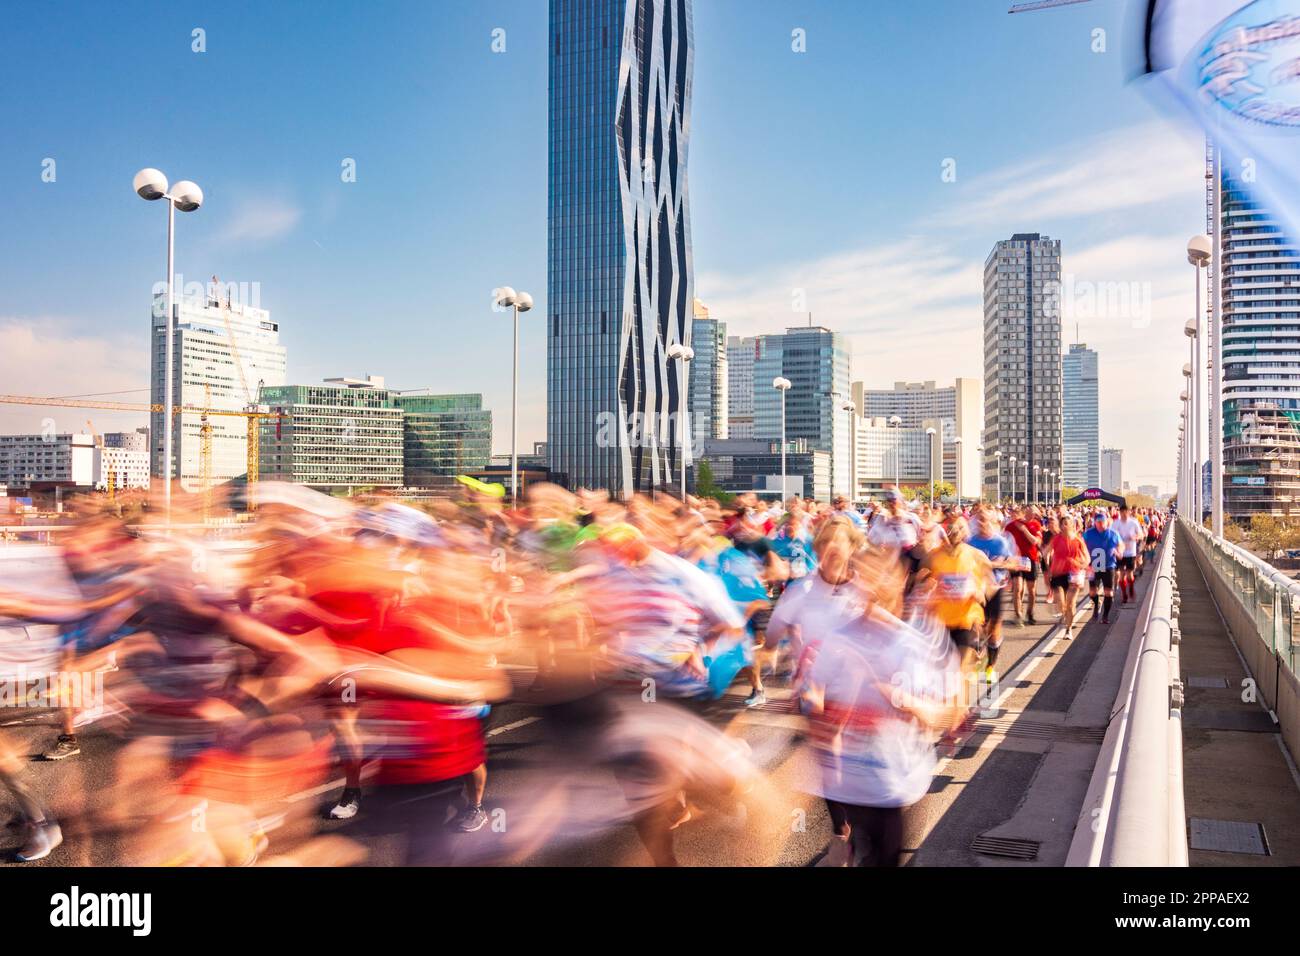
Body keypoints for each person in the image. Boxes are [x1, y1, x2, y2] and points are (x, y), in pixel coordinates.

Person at [966, 508, 1017, 685]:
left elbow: (1011, 562)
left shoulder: (1000, 542)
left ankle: (990, 667)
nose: (981, 523)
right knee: (975, 626)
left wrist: (993, 564)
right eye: (979, 520)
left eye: (985, 520)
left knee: (993, 628)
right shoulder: (970, 541)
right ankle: (972, 666)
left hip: (995, 589)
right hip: (975, 590)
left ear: (991, 522)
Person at [1046, 515, 1089, 639]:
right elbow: (1046, 552)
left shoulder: (1078, 540)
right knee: (1060, 601)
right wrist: (1048, 566)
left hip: (1074, 573)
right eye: (1063, 523)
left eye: (1067, 523)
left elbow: (1087, 557)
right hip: (1058, 573)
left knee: (1071, 604)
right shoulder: (1056, 539)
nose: (1065, 525)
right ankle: (1064, 615)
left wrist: (1082, 565)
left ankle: (1068, 629)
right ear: (1060, 526)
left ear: (1072, 525)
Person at [1081, 511, 1123, 625]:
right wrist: (1084, 561)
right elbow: (1080, 545)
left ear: (1107, 522)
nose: (1100, 524)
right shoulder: (1088, 533)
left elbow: (1121, 546)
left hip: (1109, 566)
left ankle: (1105, 615)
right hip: (1093, 566)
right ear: (1095, 523)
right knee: (1092, 592)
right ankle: (1096, 604)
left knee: (1108, 593)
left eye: (1102, 522)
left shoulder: (1113, 534)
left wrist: (1119, 552)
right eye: (1098, 522)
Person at [1003, 507, 1043, 626]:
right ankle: (1018, 615)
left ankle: (1030, 613)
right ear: (1025, 512)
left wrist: (1024, 530)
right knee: (1018, 587)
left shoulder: (1036, 524)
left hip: (1031, 559)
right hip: (1016, 559)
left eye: (1034, 513)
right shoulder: (1011, 525)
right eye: (1030, 512)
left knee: (1031, 590)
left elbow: (1035, 542)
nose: (1032, 514)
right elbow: (1004, 540)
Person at [1110, 505, 1145, 606]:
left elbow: (1141, 534)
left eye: (1126, 512)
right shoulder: (1116, 523)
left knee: (1129, 574)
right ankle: (1124, 595)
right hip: (1120, 553)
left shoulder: (1133, 522)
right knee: (1121, 575)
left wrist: (1135, 537)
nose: (1124, 514)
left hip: (1131, 552)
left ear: (1129, 512)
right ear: (1120, 513)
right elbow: (1111, 536)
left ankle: (1131, 589)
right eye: (1122, 512)